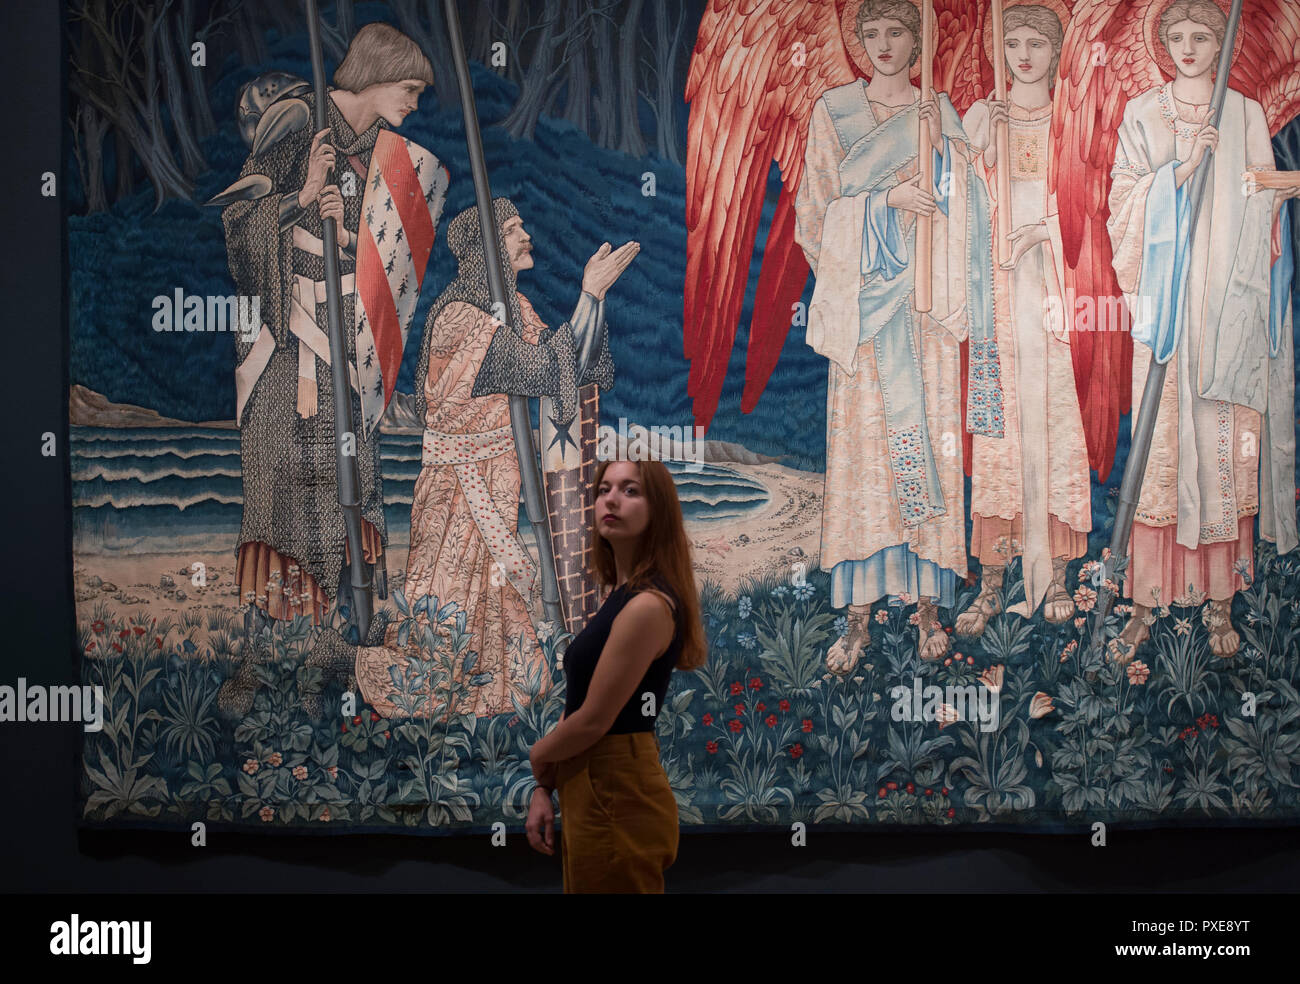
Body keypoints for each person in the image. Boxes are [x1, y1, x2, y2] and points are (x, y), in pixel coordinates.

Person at [217, 23, 436, 718]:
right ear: (378, 74)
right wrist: (304, 194)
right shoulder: (299, 129)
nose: (415, 104)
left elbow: (382, 268)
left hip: (348, 361)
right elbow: (241, 233)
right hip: (288, 364)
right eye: (410, 89)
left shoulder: (384, 154)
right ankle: (255, 671)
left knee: (351, 506)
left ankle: (338, 666)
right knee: (286, 512)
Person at [347, 199, 632, 721]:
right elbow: (547, 368)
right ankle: (357, 666)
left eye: (523, 223)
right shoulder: (459, 320)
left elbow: (579, 365)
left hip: (497, 484)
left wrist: (596, 303)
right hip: (458, 490)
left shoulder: (514, 311)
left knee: (514, 665)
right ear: (485, 250)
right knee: (446, 633)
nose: (527, 235)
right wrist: (587, 295)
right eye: (512, 228)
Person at [793, 0, 1001, 673]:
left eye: (898, 33)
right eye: (872, 33)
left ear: (919, 41)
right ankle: (856, 619)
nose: (884, 44)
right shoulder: (833, 113)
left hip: (922, 312)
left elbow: (969, 214)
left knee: (927, 454)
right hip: (862, 318)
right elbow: (815, 219)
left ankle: (928, 610)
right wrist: (884, 203)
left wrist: (954, 174)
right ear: (859, 40)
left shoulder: (935, 113)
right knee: (864, 465)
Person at [1105, 0, 1298, 663]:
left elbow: (1263, 197)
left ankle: (1220, 602)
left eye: (1201, 36)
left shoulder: (1243, 112)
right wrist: (1179, 175)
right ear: (1162, 43)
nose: (1188, 47)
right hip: (1166, 311)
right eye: (1177, 36)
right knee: (1161, 455)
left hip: (1224, 308)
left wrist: (1267, 184)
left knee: (1221, 450)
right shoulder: (1142, 113)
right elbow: (1121, 203)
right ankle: (1144, 602)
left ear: (1220, 44)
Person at [958, 3, 1091, 634]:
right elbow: (954, 194)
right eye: (1015, 44)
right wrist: (977, 145)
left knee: (1050, 422)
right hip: (995, 297)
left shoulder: (1067, 120)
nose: (1026, 56)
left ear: (1056, 50)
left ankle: (1057, 572)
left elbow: (1089, 206)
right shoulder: (988, 114)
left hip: (1048, 293)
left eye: (1038, 43)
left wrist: (1040, 231)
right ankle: (992, 579)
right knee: (996, 429)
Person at [525, 458, 707, 893]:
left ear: (658, 509)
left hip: (615, 782)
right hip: (596, 776)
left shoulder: (646, 605)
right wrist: (546, 785)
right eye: (604, 488)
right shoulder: (623, 596)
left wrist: (538, 759)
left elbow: (593, 719)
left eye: (631, 490)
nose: (611, 499)